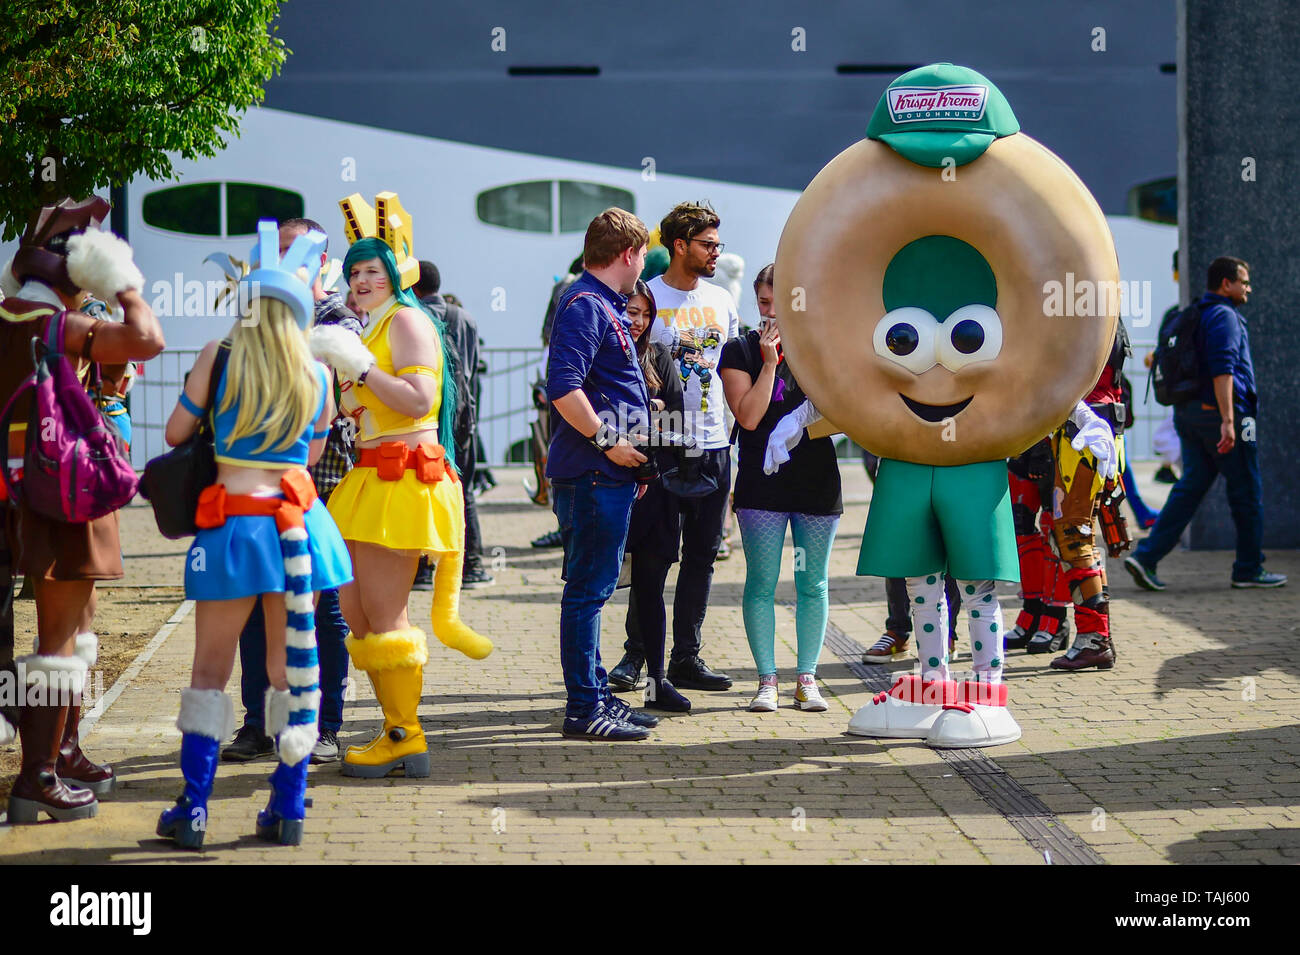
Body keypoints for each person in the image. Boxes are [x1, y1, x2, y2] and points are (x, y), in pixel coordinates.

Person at [156, 221, 350, 848]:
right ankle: (288, 806)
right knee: (293, 669)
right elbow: (313, 451)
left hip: (233, 530)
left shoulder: (218, 356)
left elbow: (174, 436)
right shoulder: (320, 374)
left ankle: (192, 808)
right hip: (300, 528)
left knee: (209, 671)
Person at [316, 191, 493, 778]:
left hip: (404, 478)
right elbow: (365, 404)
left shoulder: (409, 320)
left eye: (372, 270)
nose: (361, 279)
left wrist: (361, 371)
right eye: (354, 271)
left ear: (396, 273)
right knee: (357, 613)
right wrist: (348, 388)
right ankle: (396, 728)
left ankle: (404, 734)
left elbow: (420, 399)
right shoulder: (374, 328)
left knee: (383, 613)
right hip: (371, 475)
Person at [0, 197, 164, 824]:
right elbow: (148, 339)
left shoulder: (11, 311)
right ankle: (38, 775)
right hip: (57, 493)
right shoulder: (53, 324)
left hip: (16, 490)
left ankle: (60, 752)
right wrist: (127, 285)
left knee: (66, 627)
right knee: (59, 639)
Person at [222, 217, 363, 765]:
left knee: (323, 606)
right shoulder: (255, 316)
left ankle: (326, 725)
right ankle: (257, 724)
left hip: (317, 490)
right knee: (259, 605)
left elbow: (332, 410)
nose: (281, 261)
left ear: (320, 260)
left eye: (293, 252)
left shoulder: (336, 320)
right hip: (257, 492)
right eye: (274, 251)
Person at [609, 201, 738, 693]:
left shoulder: (723, 300)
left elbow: (732, 370)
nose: (715, 253)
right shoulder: (647, 299)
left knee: (703, 556)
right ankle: (636, 656)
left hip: (714, 444)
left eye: (717, 245)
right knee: (654, 557)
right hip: (662, 449)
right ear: (679, 245)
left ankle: (687, 656)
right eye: (707, 245)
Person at [547, 207, 660, 740]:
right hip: (593, 473)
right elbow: (564, 387)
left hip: (604, 474)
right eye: (642, 255)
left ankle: (595, 696)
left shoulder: (598, 304)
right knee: (589, 591)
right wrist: (610, 442)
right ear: (628, 254)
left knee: (592, 587)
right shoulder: (587, 305)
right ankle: (584, 708)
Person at [719, 264, 841, 712]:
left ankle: (807, 678)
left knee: (814, 583)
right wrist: (770, 363)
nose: (769, 312)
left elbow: (844, 411)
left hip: (816, 482)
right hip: (761, 484)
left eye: (778, 303)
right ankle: (767, 679)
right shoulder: (739, 351)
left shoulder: (819, 349)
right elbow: (748, 417)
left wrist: (798, 428)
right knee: (762, 581)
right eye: (763, 303)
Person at [1125, 256, 1286, 591]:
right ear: (1225, 283)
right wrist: (1229, 420)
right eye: (1244, 281)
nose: (1248, 288)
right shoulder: (1224, 317)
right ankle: (1248, 568)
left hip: (1189, 413)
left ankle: (1146, 556)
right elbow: (1223, 369)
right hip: (1222, 415)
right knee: (1247, 489)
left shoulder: (1194, 314)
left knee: (1190, 487)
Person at [622, 279, 690, 712]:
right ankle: (589, 683)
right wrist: (650, 411)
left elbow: (680, 424)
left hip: (657, 489)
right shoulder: (605, 353)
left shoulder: (659, 355)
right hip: (610, 486)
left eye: (645, 313)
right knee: (594, 587)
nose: (638, 320)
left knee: (651, 587)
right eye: (632, 310)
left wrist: (654, 417)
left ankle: (656, 682)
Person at [413, 260, 493, 588]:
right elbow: (472, 369)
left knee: (420, 488)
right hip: (463, 416)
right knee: (464, 491)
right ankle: (472, 566)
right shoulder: (465, 318)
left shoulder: (412, 318)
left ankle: (421, 569)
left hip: (425, 419)